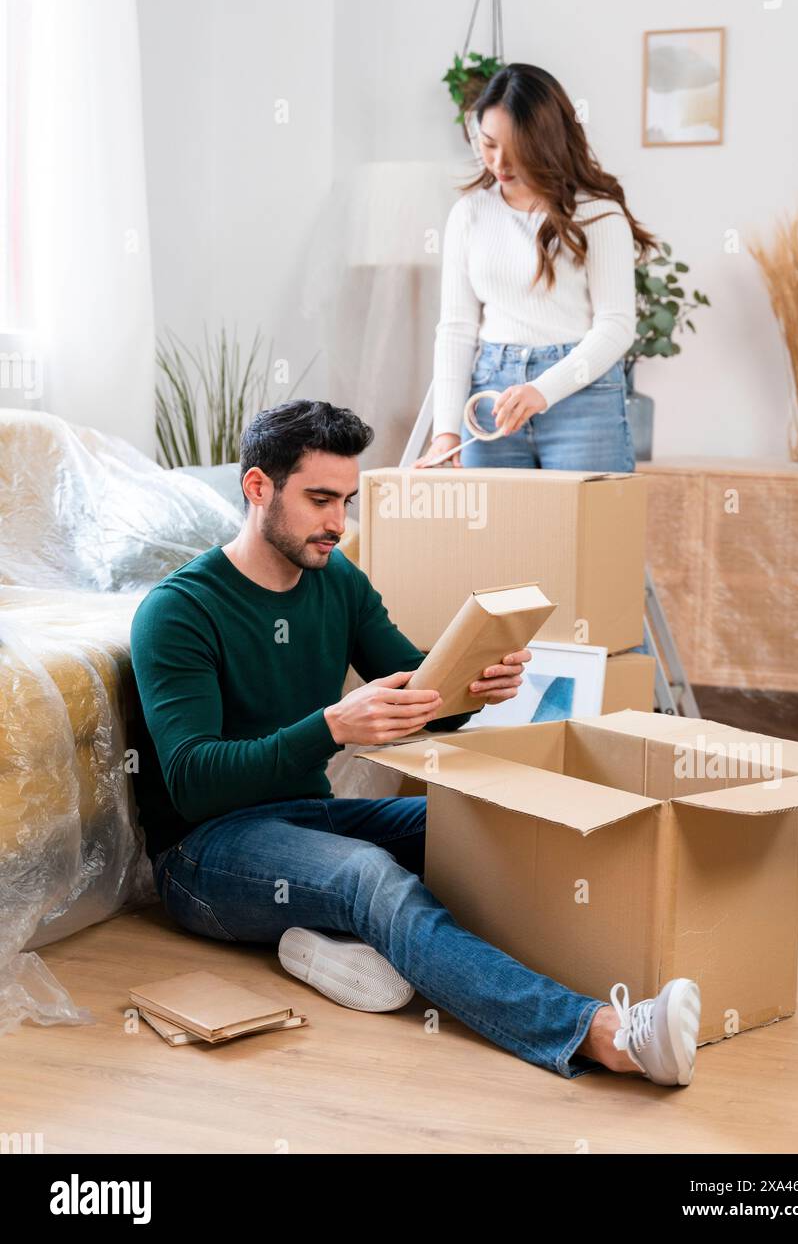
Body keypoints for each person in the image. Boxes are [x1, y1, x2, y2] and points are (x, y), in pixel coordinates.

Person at [130, 400, 700, 1085]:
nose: (337, 523)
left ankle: (335, 939)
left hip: (308, 817)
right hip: (205, 854)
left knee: (485, 822)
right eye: (318, 500)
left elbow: (419, 696)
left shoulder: (333, 578)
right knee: (366, 877)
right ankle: (605, 1035)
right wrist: (331, 727)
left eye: (345, 499)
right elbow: (195, 781)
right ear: (258, 488)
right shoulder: (179, 611)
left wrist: (472, 685)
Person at [415, 61, 657, 475]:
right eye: (489, 144)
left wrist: (541, 391)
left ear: (548, 142)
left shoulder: (598, 214)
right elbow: (456, 328)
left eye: (518, 149)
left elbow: (616, 327)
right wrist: (446, 433)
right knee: (490, 537)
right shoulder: (469, 214)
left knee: (588, 539)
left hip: (584, 399)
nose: (500, 162)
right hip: (490, 398)